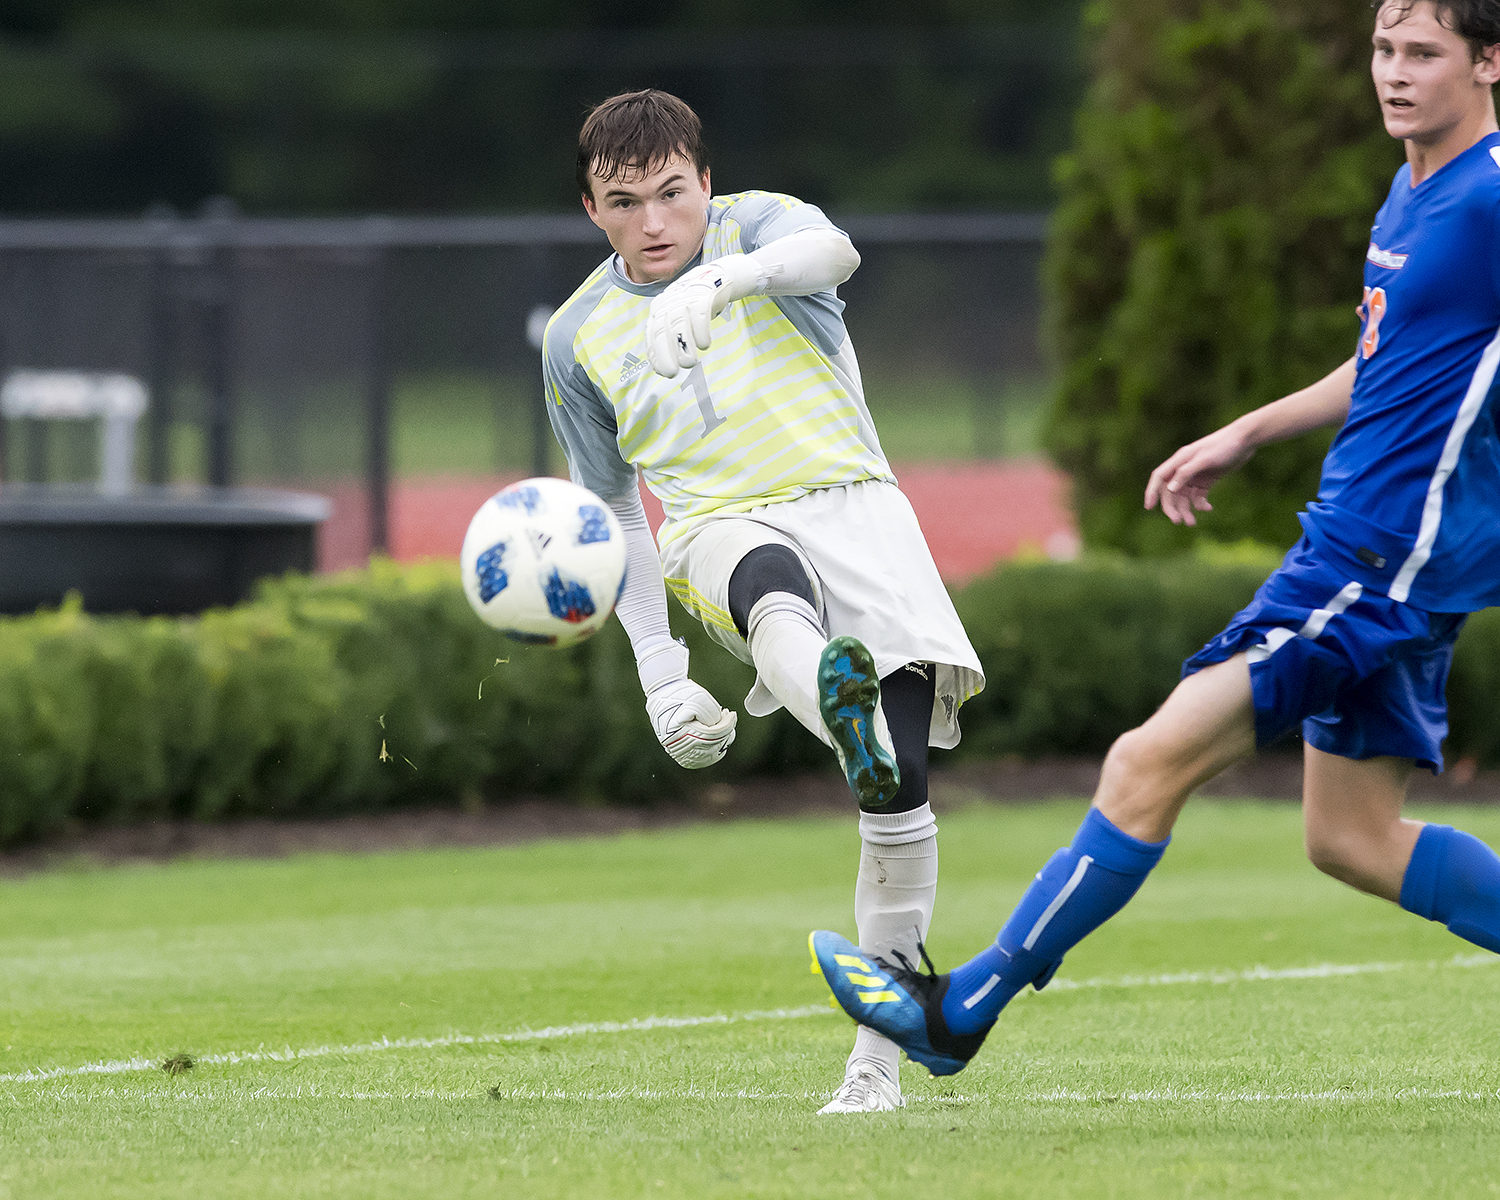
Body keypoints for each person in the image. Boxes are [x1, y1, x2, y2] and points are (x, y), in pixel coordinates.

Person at [812, 0, 1500, 1077]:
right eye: (1383, 50)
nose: (1395, 74)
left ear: (1491, 63)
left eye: (1425, 53)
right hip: (1379, 557)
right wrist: (1247, 430)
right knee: (1352, 840)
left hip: (1375, 566)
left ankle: (962, 1012)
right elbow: (1392, 361)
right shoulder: (1416, 188)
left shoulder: (1492, 193)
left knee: (1146, 761)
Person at [542, 89, 985, 1109]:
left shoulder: (759, 229)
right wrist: (661, 676)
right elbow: (612, 513)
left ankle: (875, 1073)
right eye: (624, 202)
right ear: (589, 210)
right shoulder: (575, 338)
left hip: (861, 511)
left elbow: (836, 251)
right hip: (716, 523)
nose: (655, 223)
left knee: (900, 804)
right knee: (767, 586)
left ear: (705, 179)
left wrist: (727, 284)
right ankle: (839, 711)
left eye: (671, 192)